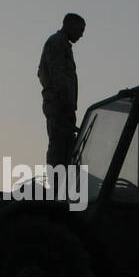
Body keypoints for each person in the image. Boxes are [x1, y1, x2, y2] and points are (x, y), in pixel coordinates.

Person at [38, 13, 85, 170]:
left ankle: (63, 184)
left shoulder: (62, 44)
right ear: (70, 25)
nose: (81, 35)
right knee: (59, 149)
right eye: (80, 29)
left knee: (67, 150)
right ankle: (57, 185)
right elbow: (55, 75)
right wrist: (61, 99)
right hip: (59, 107)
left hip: (63, 106)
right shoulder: (56, 43)